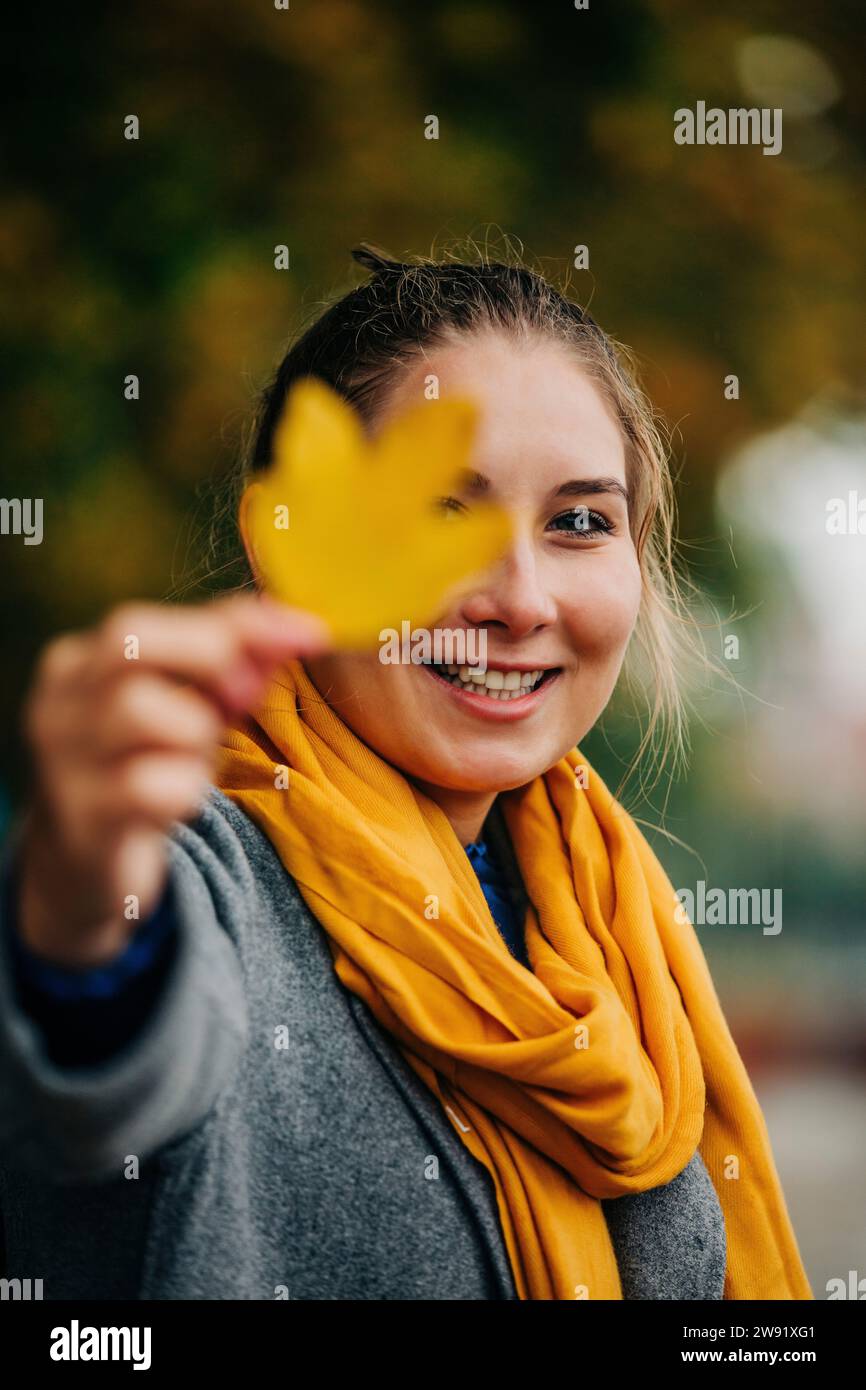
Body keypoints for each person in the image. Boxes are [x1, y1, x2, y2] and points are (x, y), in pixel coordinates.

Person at [0, 244, 812, 1300]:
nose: (518, 598)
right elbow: (92, 1063)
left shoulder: (617, 925)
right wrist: (75, 909)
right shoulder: (195, 875)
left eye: (577, 521)